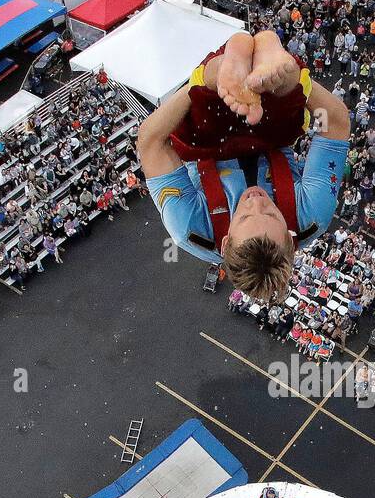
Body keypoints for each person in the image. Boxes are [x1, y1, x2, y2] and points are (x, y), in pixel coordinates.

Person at [139, 31, 352, 300]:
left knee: (202, 109)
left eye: (245, 216)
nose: (256, 200)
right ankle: (271, 64)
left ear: (226, 240)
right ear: (289, 236)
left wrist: (199, 84)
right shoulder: (312, 214)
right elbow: (333, 123)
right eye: (273, 214)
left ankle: (229, 71)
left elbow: (152, 143)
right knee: (290, 98)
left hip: (208, 140)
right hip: (270, 132)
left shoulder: (188, 226)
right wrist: (303, 87)